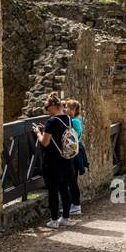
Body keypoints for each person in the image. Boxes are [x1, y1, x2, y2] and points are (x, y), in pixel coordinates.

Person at [34, 94, 75, 229]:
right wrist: (46, 128)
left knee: (53, 190)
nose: (46, 110)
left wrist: (38, 133)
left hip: (53, 161)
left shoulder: (52, 122)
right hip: (66, 159)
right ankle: (66, 218)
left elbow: (45, 143)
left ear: (52, 106)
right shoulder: (68, 119)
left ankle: (54, 220)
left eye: (47, 107)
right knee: (65, 188)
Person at [63, 98, 86, 217]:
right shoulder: (74, 119)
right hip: (73, 152)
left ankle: (76, 206)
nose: (66, 110)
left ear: (74, 110)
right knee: (70, 180)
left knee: (72, 181)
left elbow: (72, 135)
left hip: (75, 154)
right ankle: (73, 205)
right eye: (66, 107)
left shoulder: (75, 121)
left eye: (69, 108)